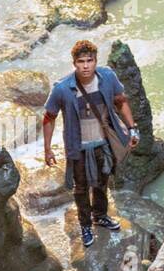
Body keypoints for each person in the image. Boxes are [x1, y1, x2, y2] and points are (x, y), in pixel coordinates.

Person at [42, 40, 140, 246]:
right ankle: (85, 225)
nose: (86, 66)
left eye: (90, 60)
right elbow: (49, 117)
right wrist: (48, 149)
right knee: (81, 187)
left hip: (104, 143)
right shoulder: (62, 88)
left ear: (96, 61)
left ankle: (100, 215)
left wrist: (132, 128)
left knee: (103, 181)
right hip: (78, 146)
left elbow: (121, 101)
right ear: (74, 63)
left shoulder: (107, 78)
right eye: (81, 61)